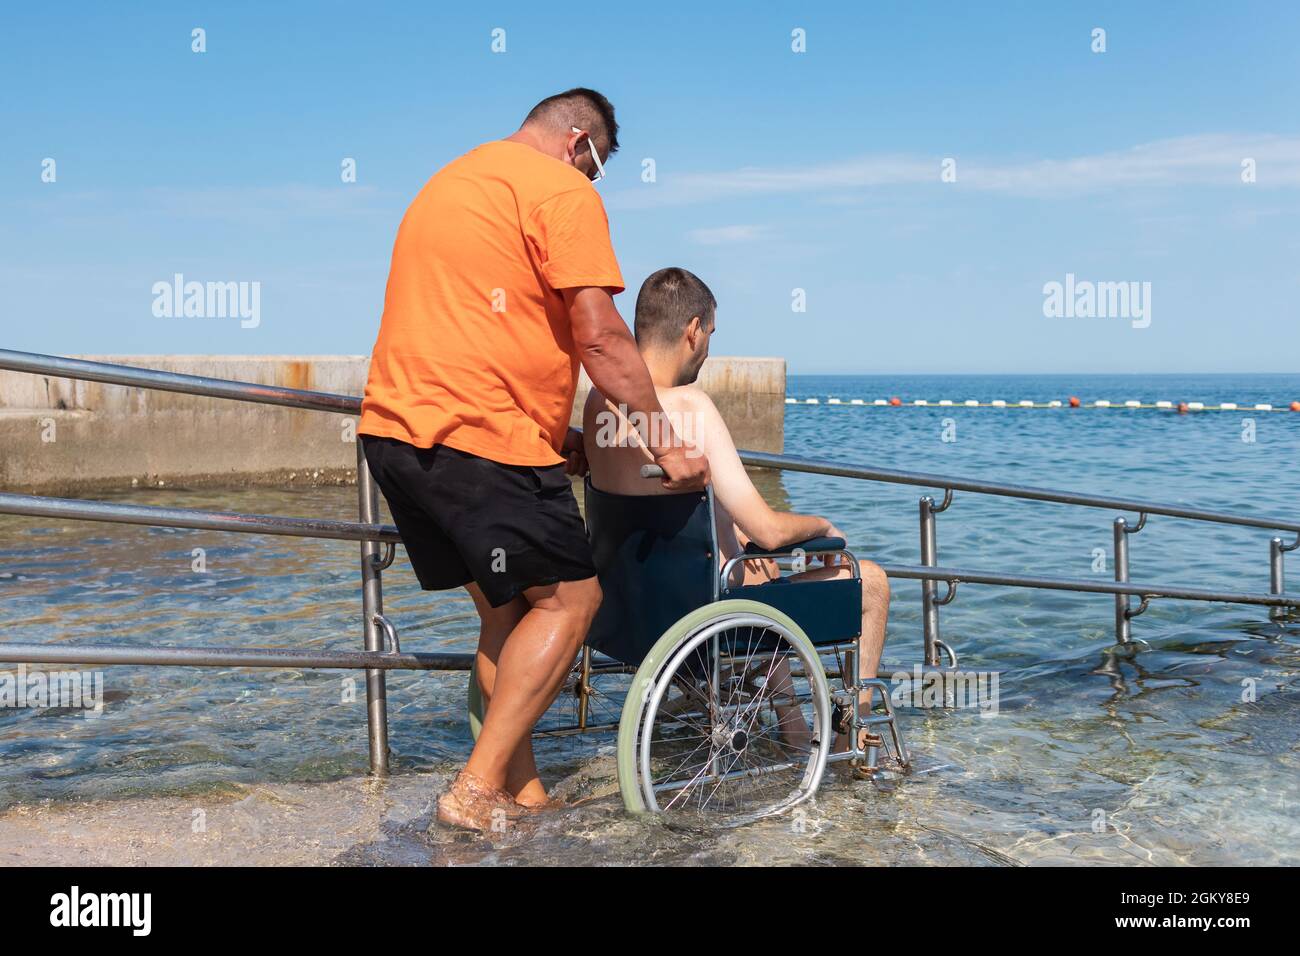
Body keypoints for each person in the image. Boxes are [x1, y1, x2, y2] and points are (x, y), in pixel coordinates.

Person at [358, 91, 709, 831]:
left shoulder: (453, 180)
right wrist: (665, 443)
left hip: (397, 430)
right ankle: (475, 790)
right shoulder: (559, 187)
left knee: (509, 615)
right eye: (599, 165)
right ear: (579, 142)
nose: (594, 180)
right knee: (574, 601)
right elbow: (600, 335)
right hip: (478, 435)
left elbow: (476, 321)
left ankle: (525, 797)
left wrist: (552, 435)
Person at [583, 267, 890, 752]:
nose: (707, 349)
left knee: (753, 564)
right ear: (693, 330)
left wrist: (738, 540)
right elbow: (767, 528)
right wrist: (823, 526)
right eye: (710, 335)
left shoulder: (600, 405)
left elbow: (673, 519)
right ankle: (854, 727)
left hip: (629, 613)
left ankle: (792, 729)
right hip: (708, 616)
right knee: (870, 581)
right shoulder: (693, 407)